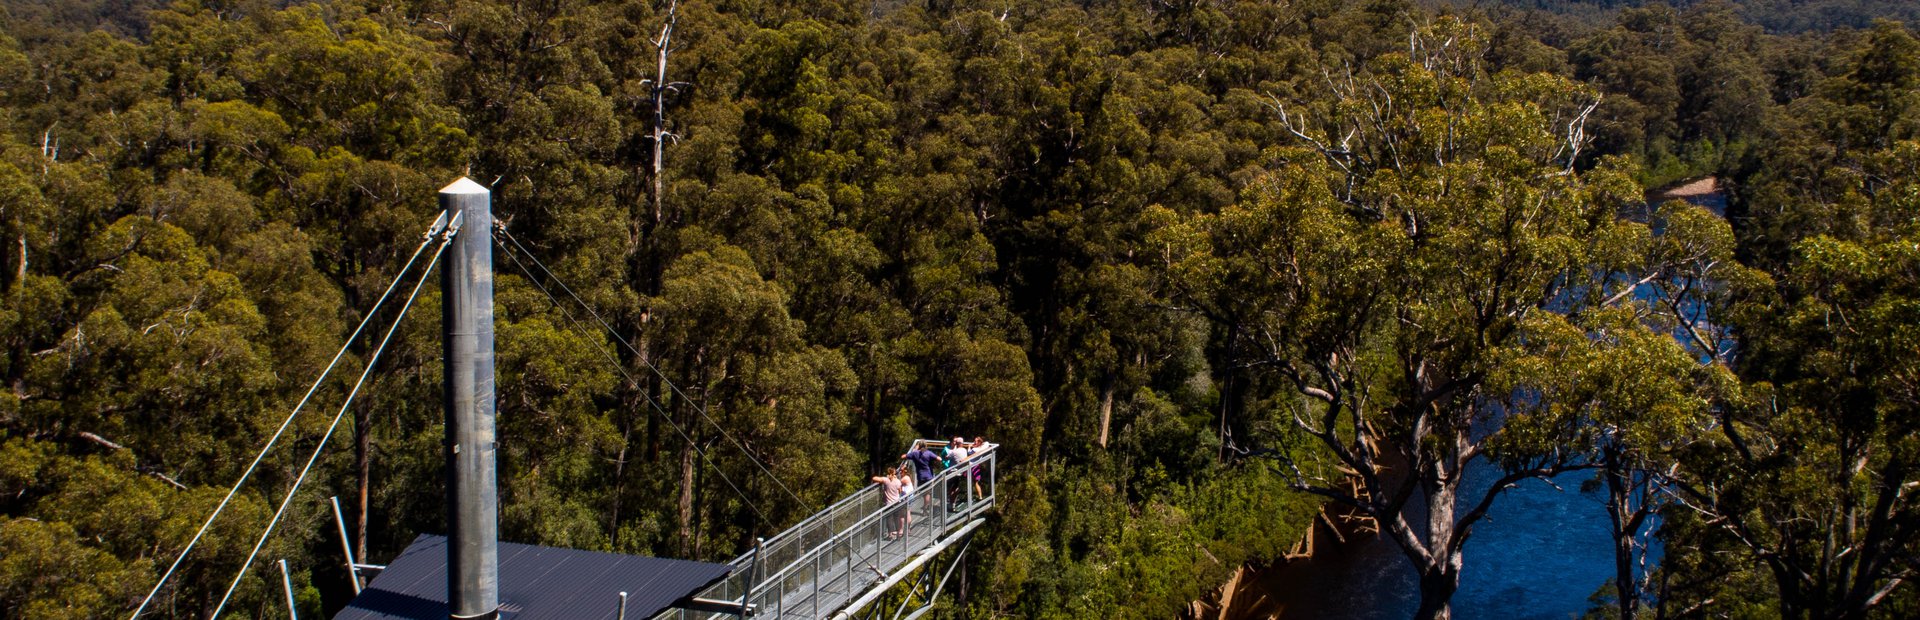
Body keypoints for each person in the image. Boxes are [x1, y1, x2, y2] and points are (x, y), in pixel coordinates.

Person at [901, 442, 941, 509]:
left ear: (919, 446)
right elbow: (939, 459)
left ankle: (925, 505)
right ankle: (925, 507)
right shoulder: (929, 453)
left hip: (920, 476)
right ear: (926, 446)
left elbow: (903, 456)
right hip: (929, 476)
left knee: (924, 492)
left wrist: (915, 450)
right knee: (928, 493)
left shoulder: (915, 453)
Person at [873, 467, 907, 539]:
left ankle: (890, 534)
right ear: (894, 473)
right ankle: (898, 534)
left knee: (889, 519)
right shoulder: (898, 481)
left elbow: (874, 478)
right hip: (897, 502)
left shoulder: (886, 480)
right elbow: (900, 491)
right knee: (896, 518)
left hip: (888, 503)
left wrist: (886, 478)